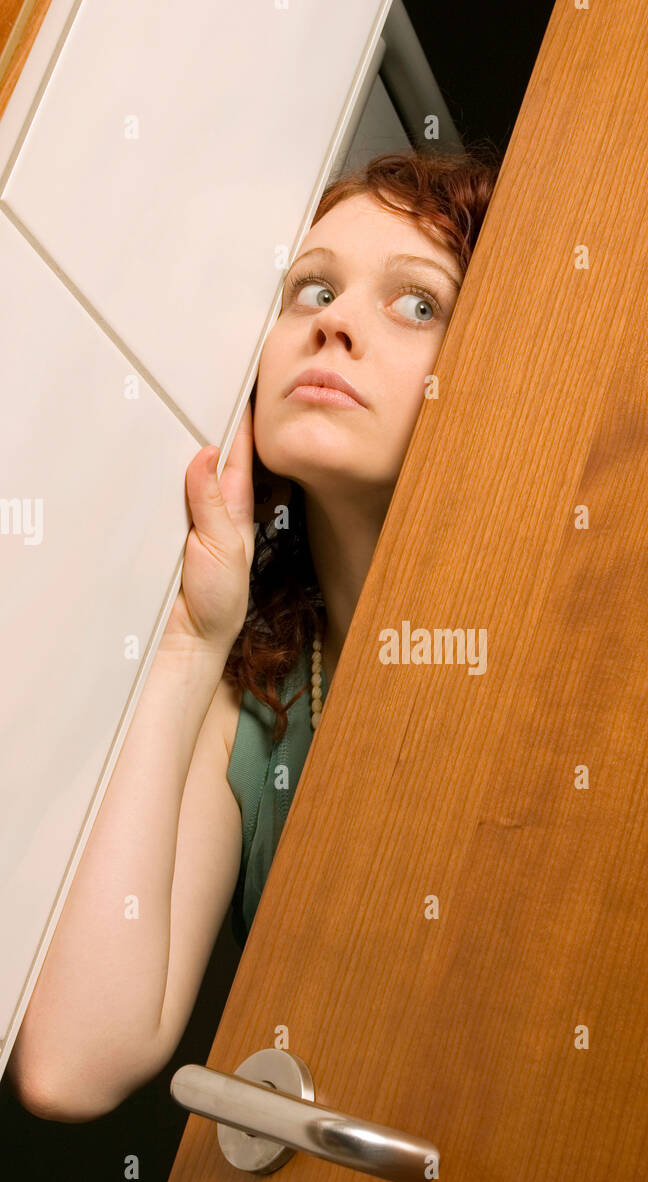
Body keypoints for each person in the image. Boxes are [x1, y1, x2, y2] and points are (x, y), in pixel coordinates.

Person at [6, 147, 499, 1123]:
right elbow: (68, 1060)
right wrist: (194, 642)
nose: (333, 322)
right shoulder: (258, 706)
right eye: (311, 287)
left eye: (416, 303)